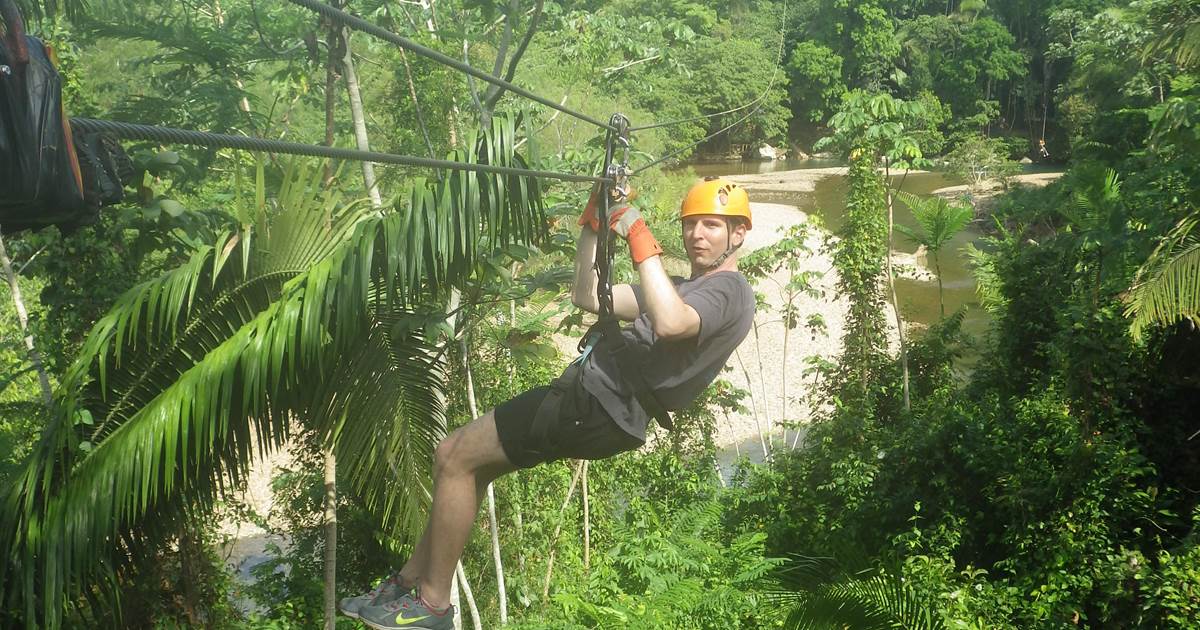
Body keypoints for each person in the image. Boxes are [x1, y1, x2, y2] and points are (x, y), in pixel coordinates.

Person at [345, 176, 757, 630]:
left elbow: (673, 322)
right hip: (596, 407)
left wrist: (639, 236)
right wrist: (593, 224)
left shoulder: (729, 290)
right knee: (470, 468)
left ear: (738, 234)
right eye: (691, 224)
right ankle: (409, 585)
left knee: (453, 455)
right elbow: (588, 295)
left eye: (713, 225)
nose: (698, 234)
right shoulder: (681, 286)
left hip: (598, 403)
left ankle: (433, 604)